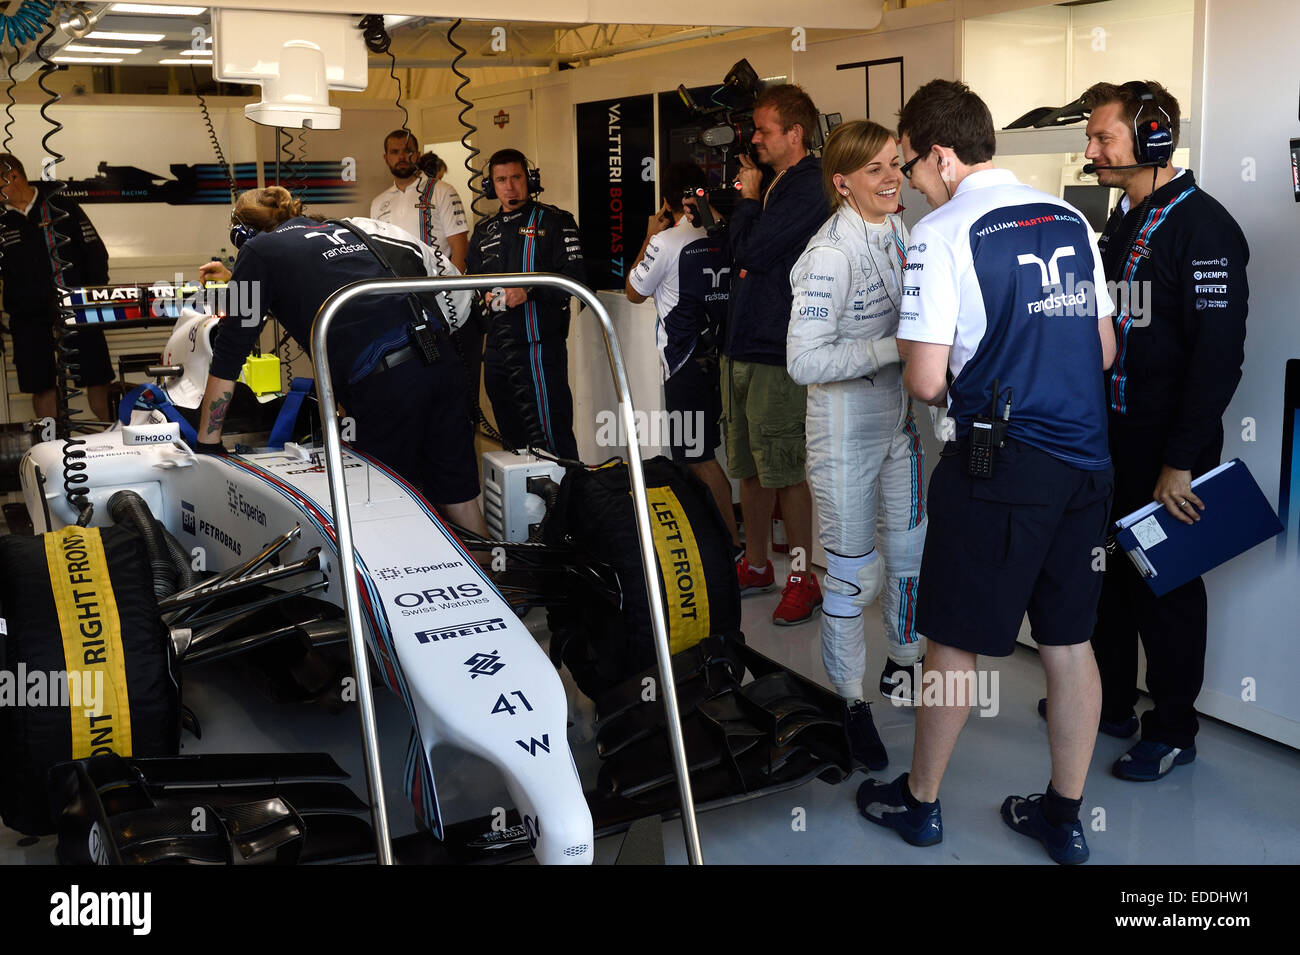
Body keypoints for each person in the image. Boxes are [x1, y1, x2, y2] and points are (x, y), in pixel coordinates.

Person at [856, 79, 1117, 865]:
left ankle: (920, 802)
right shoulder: (1071, 216)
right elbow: (1102, 350)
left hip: (997, 466)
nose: (906, 181)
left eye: (910, 164)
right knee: (1070, 644)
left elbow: (929, 381)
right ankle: (1063, 816)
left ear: (941, 153)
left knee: (955, 645)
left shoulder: (943, 232)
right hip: (1086, 463)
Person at [1065, 80, 1249, 781]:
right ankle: (1109, 703)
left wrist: (1179, 461)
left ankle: (1173, 728)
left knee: (1166, 588)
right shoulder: (1123, 218)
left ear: (1153, 138)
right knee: (1107, 576)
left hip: (1172, 449)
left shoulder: (1206, 229)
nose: (1091, 151)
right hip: (1111, 438)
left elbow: (1217, 357)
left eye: (1103, 138)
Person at [194, 186, 487, 539]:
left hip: (385, 385)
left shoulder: (258, 251)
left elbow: (229, 353)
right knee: (458, 496)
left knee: (387, 507)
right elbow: (310, 282)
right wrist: (237, 281)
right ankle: (493, 577)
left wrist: (208, 445)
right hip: (440, 362)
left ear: (241, 234)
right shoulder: (346, 228)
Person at [786, 120, 925, 770]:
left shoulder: (896, 226)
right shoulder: (828, 254)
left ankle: (903, 661)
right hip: (842, 433)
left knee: (909, 550)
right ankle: (849, 701)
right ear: (841, 182)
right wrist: (891, 348)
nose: (892, 177)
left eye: (895, 163)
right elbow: (802, 361)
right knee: (850, 576)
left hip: (898, 420)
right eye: (874, 169)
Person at [722, 84, 830, 625]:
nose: (754, 138)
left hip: (777, 350)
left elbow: (749, 250)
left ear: (795, 133)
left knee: (785, 468)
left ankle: (804, 577)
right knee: (748, 464)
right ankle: (759, 562)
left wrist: (746, 200)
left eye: (764, 130)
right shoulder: (775, 184)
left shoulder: (808, 186)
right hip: (741, 343)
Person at [625, 161, 741, 552]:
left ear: (666, 202)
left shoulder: (666, 241)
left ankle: (730, 546)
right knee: (709, 453)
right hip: (724, 355)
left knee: (697, 456)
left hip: (684, 363)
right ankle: (734, 540)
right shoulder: (725, 234)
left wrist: (648, 235)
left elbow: (634, 291)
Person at [466, 148, 585, 461]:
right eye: (501, 180)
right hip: (497, 353)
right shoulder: (483, 231)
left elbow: (576, 276)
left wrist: (528, 290)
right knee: (512, 445)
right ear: (491, 186)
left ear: (529, 179)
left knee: (552, 438)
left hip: (540, 351)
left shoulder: (557, 221)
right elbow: (470, 283)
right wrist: (484, 296)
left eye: (516, 177)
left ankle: (568, 504)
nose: (510, 186)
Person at [370, 131, 481, 429]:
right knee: (415, 395)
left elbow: (460, 250)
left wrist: (448, 305)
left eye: (407, 151)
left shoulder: (442, 191)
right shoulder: (379, 203)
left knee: (457, 394)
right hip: (403, 311)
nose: (401, 157)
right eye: (394, 152)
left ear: (417, 154)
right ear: (386, 158)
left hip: (447, 311)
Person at [0, 153, 114, 422]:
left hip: (77, 308)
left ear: (13, 176)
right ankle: (49, 448)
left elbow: (96, 253)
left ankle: (115, 435)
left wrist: (92, 298)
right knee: (41, 385)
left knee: (96, 376)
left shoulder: (61, 206)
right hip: (28, 318)